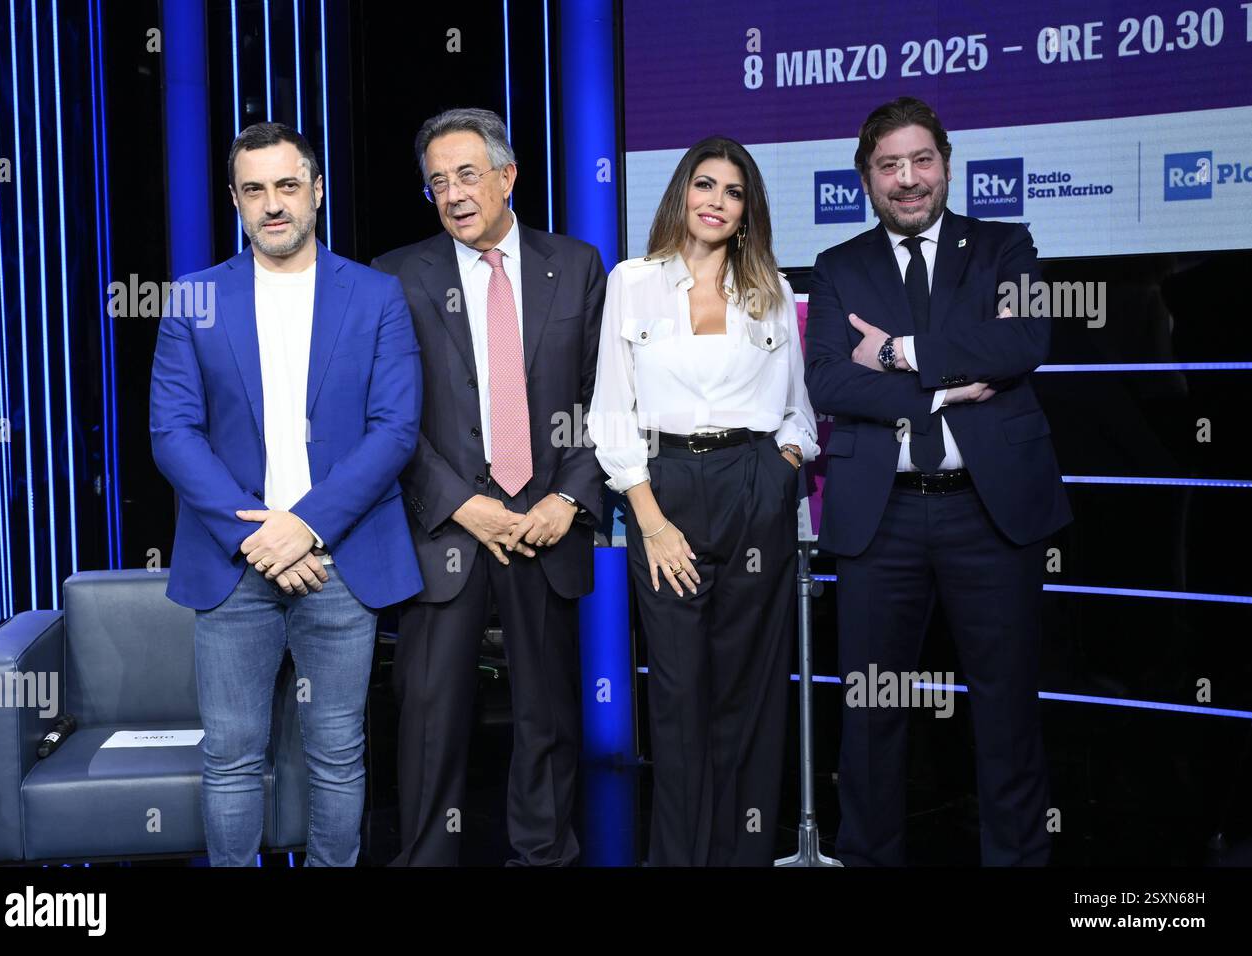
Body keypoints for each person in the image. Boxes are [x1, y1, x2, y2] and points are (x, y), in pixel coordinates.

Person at [804, 97, 1072, 866]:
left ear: (946, 165)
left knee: (1007, 713)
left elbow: (1022, 339)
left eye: (921, 160)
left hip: (991, 516)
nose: (908, 179)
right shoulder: (838, 267)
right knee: (871, 718)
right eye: (889, 166)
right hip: (879, 519)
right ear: (866, 178)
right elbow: (826, 380)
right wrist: (944, 384)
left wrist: (899, 354)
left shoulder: (1003, 246)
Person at [149, 122, 423, 866]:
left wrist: (302, 528)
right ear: (235, 200)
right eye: (255, 190)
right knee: (232, 757)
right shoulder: (195, 298)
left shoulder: (376, 296)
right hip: (232, 565)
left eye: (288, 186)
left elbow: (395, 430)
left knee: (337, 754)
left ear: (317, 191)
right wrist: (258, 537)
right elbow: (173, 434)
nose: (274, 205)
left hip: (342, 560)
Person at [372, 108, 605, 866]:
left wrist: (567, 499)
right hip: (446, 529)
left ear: (507, 176)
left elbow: (605, 397)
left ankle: (543, 854)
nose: (453, 193)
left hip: (546, 525)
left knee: (548, 719)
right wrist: (464, 505)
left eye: (467, 174)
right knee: (431, 719)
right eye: (437, 181)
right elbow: (390, 418)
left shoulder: (575, 264)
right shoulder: (396, 276)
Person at [588, 136, 819, 866]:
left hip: (754, 484)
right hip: (666, 491)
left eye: (733, 190)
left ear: (748, 208)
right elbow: (610, 413)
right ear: (682, 195)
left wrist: (779, 471)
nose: (717, 201)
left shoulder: (771, 289)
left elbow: (798, 414)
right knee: (678, 698)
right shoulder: (633, 280)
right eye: (705, 185)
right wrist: (649, 522)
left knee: (749, 697)